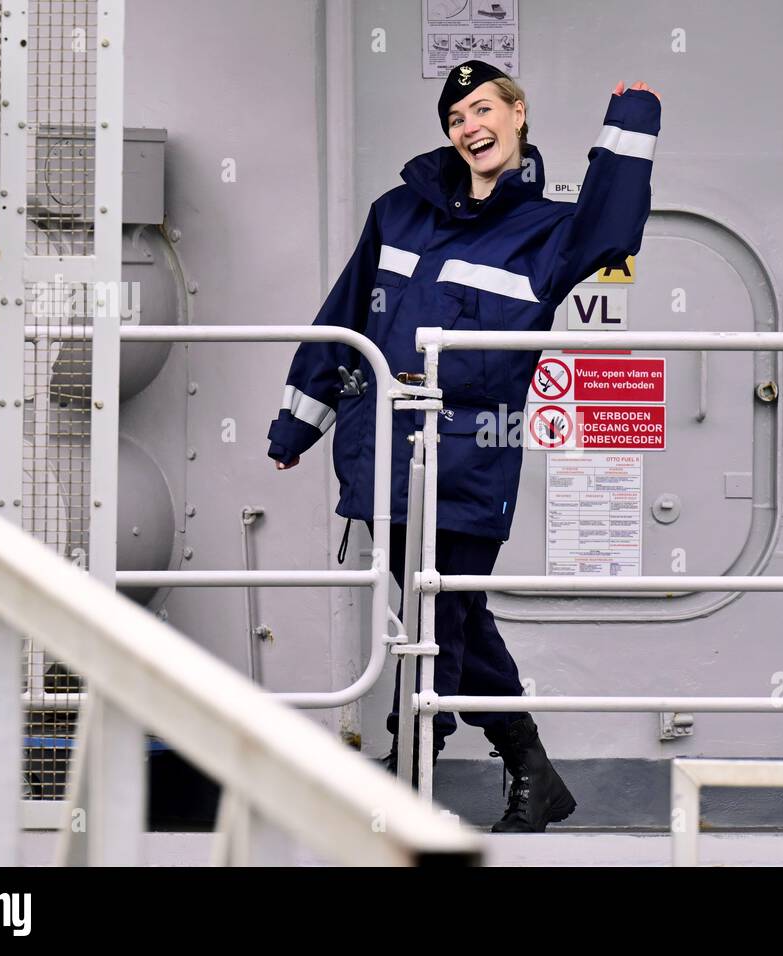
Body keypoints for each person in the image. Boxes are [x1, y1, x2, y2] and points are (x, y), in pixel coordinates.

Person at [267, 59, 661, 831]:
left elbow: (614, 228)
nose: (469, 127)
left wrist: (632, 121)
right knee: (454, 615)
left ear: (518, 114)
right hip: (382, 454)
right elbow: (343, 317)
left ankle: (411, 765)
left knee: (437, 618)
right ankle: (528, 770)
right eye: (455, 119)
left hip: (471, 460)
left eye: (483, 109)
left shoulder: (549, 232)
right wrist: (298, 425)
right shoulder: (397, 213)